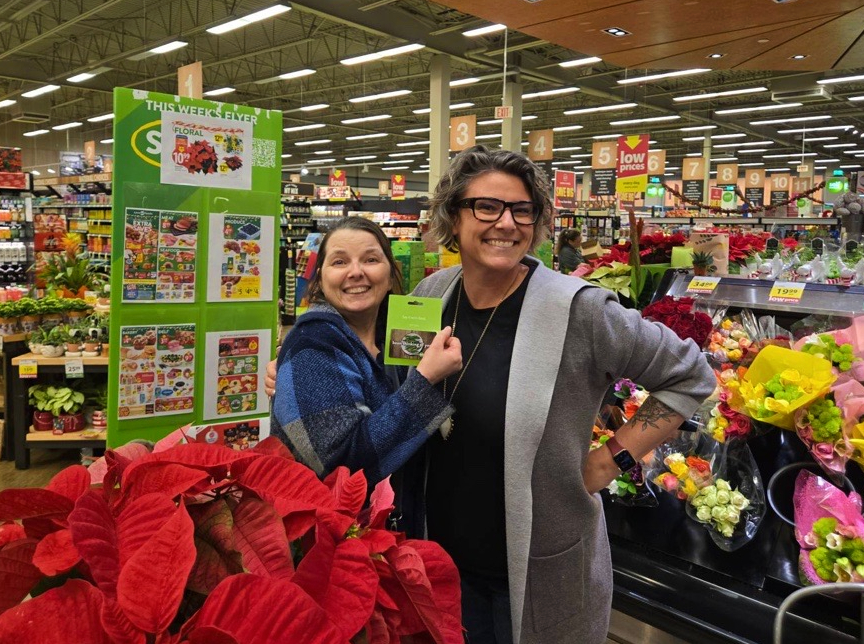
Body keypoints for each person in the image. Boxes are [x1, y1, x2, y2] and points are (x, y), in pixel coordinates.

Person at [267, 146, 715, 644]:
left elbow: (690, 375)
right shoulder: (433, 293)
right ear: (452, 218)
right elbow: (397, 390)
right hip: (433, 567)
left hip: (533, 574)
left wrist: (611, 461)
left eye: (522, 209)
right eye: (486, 206)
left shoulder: (579, 311)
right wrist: (297, 373)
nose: (505, 223)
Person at [270, 216, 462, 486]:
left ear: (390, 272)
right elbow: (342, 466)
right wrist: (425, 380)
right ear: (320, 278)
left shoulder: (394, 338)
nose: (356, 272)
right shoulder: (312, 343)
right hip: (342, 525)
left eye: (371, 260)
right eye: (339, 262)